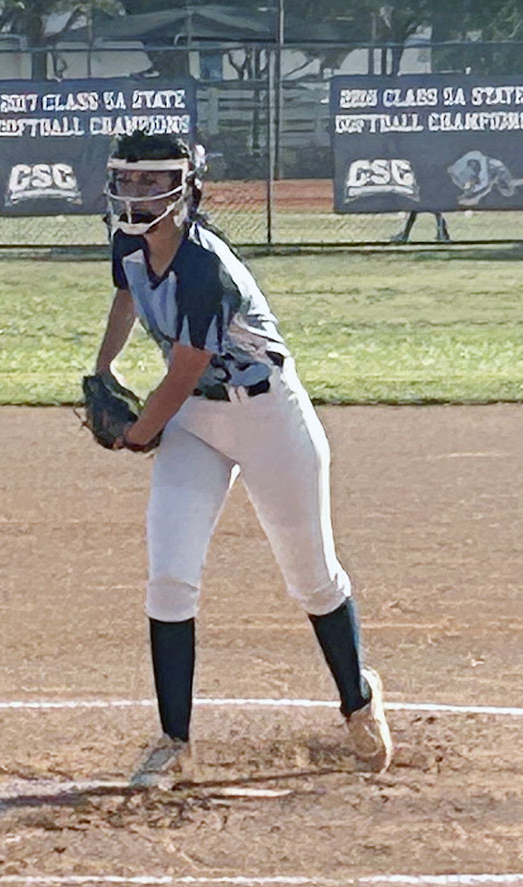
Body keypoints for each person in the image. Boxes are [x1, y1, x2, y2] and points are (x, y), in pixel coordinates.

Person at [94, 130, 393, 787]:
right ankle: (174, 741)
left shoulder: (205, 266)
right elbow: (126, 295)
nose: (138, 195)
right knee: (170, 577)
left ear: (188, 188)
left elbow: (182, 371)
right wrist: (104, 365)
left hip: (267, 417)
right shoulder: (127, 242)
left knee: (311, 578)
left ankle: (357, 698)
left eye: (154, 182)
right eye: (130, 180)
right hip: (197, 423)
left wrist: (138, 433)